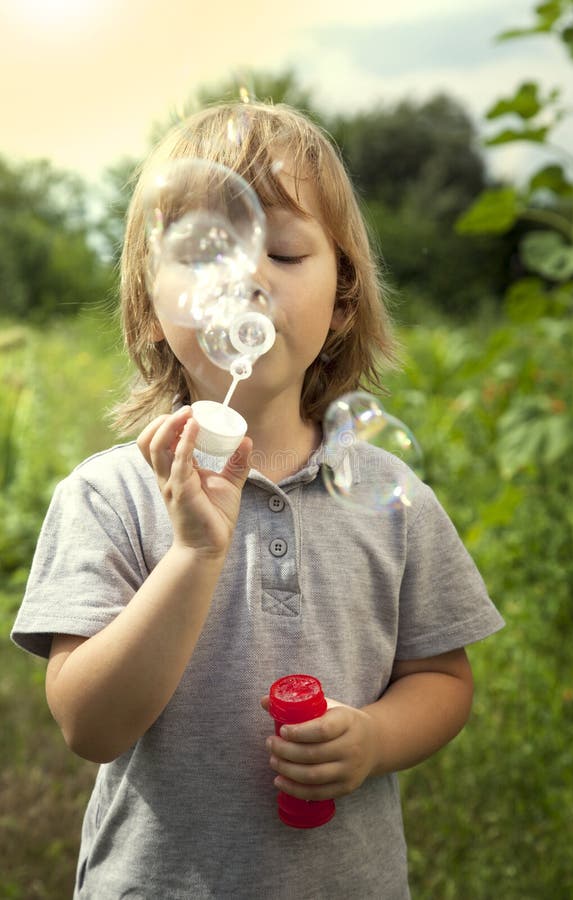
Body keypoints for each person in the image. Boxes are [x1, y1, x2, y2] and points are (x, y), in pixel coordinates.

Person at [11, 101, 504, 899]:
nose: (246, 276)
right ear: (149, 302)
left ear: (343, 296)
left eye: (281, 249)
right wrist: (195, 556)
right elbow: (88, 726)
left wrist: (375, 738)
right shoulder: (108, 497)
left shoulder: (393, 498)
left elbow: (444, 679)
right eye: (207, 253)